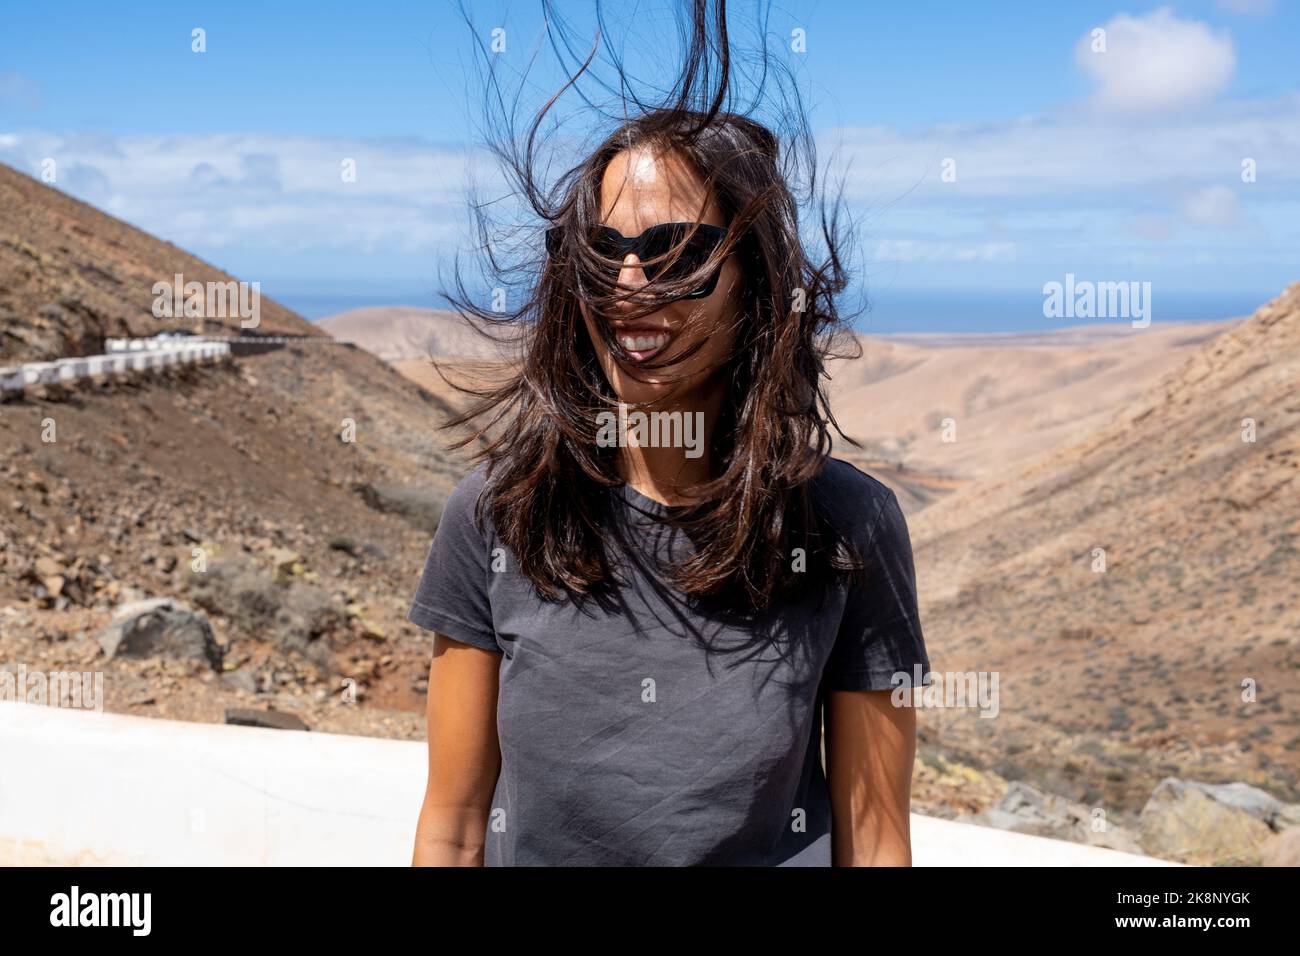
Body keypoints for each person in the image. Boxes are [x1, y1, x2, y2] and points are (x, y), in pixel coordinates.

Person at [409, 0, 931, 866]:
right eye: (597, 248)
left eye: (677, 252)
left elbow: (875, 842)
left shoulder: (849, 529)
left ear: (754, 281)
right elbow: (454, 827)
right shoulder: (497, 517)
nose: (627, 282)